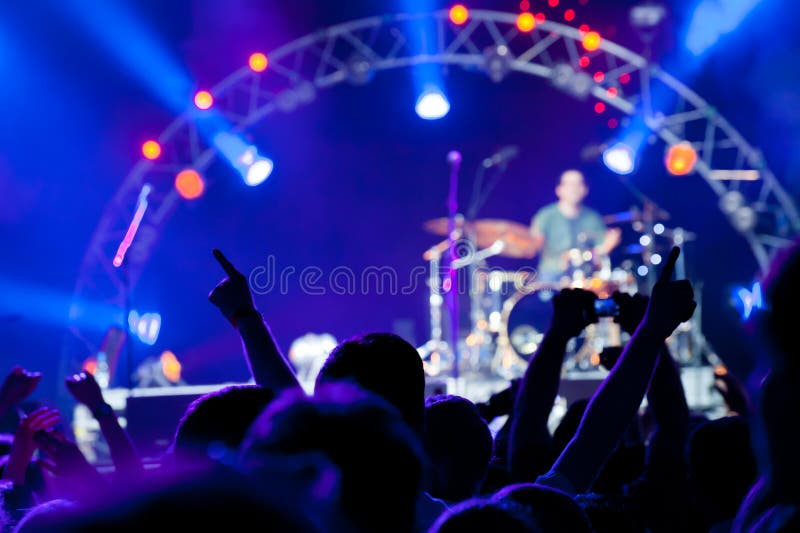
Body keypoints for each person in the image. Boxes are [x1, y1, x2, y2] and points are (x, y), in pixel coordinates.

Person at [529, 170, 621, 283]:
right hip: (553, 274)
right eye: (569, 184)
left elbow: (599, 253)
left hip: (585, 275)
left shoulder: (593, 218)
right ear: (559, 190)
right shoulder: (546, 215)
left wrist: (606, 246)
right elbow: (532, 245)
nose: (574, 188)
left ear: (586, 189)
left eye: (579, 184)